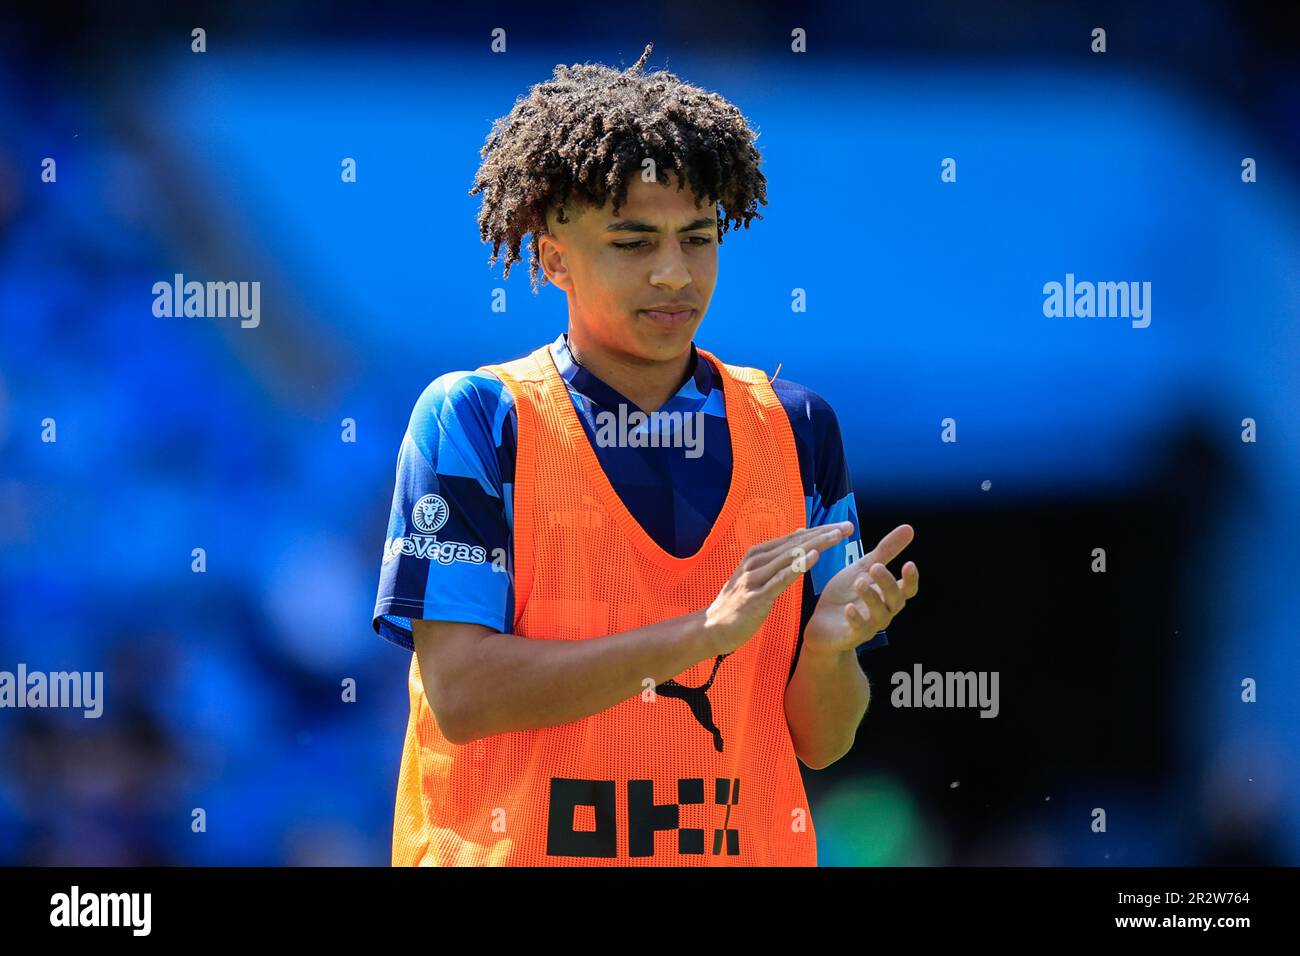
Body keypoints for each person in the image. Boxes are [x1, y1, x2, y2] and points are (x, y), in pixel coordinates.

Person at [372, 43, 919, 866]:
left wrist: (827, 650)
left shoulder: (799, 429)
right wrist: (702, 634)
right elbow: (466, 695)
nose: (673, 273)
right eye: (632, 243)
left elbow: (821, 741)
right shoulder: (477, 419)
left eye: (698, 238)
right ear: (552, 257)